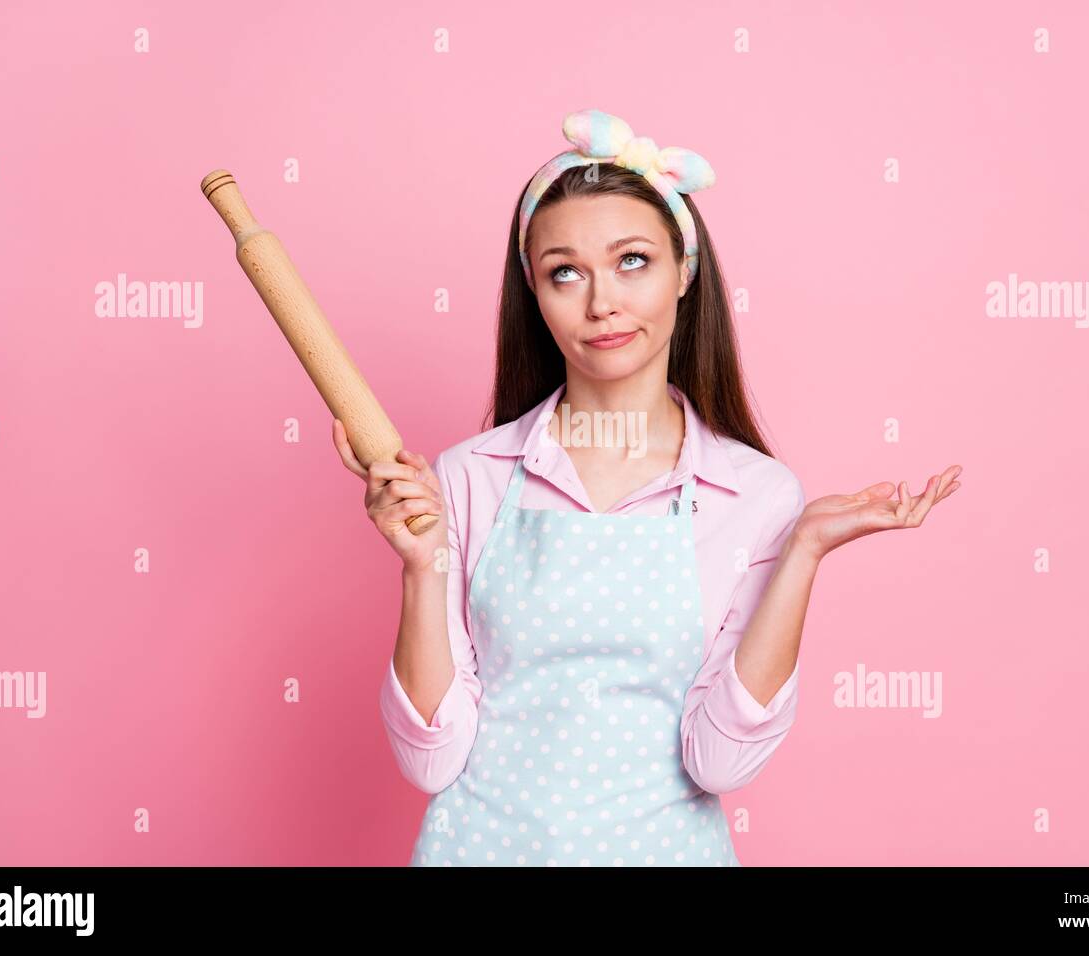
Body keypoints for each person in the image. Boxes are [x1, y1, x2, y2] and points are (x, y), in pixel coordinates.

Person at [333, 109, 961, 866]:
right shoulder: (469, 478)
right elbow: (431, 760)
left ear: (684, 270)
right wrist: (420, 564)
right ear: (534, 292)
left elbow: (719, 762)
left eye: (633, 260)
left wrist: (803, 554)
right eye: (565, 271)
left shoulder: (755, 496)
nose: (601, 302)